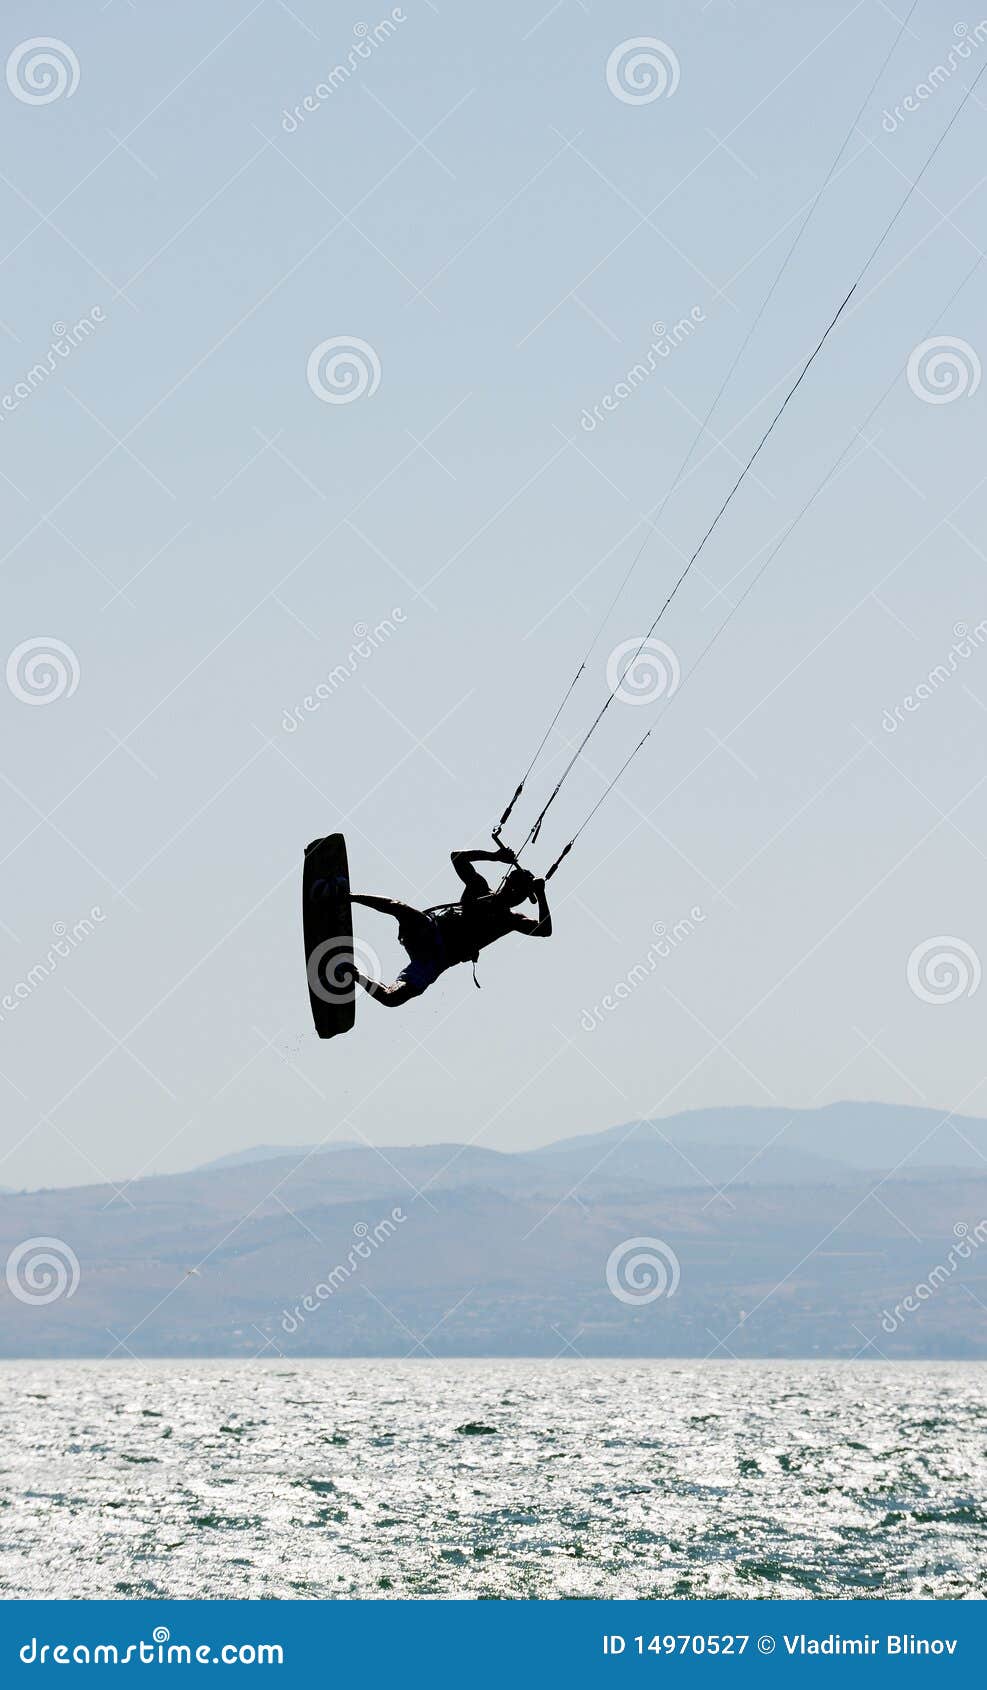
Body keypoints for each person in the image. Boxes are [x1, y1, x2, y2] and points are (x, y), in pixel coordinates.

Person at [349, 845, 552, 1007]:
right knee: (398, 907)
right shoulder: (478, 887)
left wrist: (541, 895)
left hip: (437, 959)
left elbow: (545, 930)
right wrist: (495, 856)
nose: (515, 897)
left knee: (392, 998)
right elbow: (457, 857)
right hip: (428, 930)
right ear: (507, 882)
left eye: (521, 896)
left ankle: (353, 973)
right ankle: (346, 897)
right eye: (515, 889)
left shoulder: (510, 920)